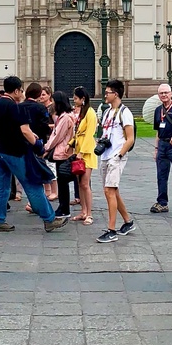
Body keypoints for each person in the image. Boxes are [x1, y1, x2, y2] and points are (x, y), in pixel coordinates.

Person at [0, 77, 57, 232]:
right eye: (21, 90)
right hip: (16, 152)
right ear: (17, 90)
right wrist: (38, 145)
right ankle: (49, 219)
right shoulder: (14, 106)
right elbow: (25, 130)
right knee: (32, 184)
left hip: (0, 150)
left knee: (2, 187)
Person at [95, 79, 136, 242]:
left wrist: (119, 155)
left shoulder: (125, 112)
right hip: (106, 155)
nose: (105, 95)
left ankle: (111, 230)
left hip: (116, 156)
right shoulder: (107, 112)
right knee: (112, 190)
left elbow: (130, 139)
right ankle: (128, 221)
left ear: (116, 94)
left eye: (107, 92)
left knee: (109, 191)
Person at [150, 83, 172, 214]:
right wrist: (156, 148)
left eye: (166, 92)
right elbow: (158, 131)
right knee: (161, 175)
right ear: (158, 95)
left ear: (171, 94)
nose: (164, 95)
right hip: (162, 145)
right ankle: (162, 202)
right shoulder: (158, 110)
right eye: (161, 93)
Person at [46, 91, 78, 221]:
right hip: (64, 151)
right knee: (62, 181)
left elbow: (57, 135)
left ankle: (64, 208)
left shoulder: (65, 118)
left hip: (63, 153)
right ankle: (63, 207)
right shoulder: (65, 116)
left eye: (53, 101)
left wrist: (47, 147)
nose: (52, 104)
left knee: (62, 181)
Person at [72, 87, 97, 224]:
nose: (74, 100)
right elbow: (77, 133)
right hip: (78, 150)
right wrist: (70, 144)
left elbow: (89, 134)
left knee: (85, 184)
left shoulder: (90, 113)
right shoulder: (81, 112)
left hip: (86, 152)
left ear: (83, 99)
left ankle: (89, 214)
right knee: (80, 183)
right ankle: (83, 211)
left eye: (76, 98)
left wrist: (82, 152)